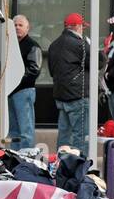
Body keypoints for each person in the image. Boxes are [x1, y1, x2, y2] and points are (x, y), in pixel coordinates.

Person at [47, 13, 90, 155]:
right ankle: (79, 166)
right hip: (78, 95)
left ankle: (61, 166)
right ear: (77, 26)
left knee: (64, 135)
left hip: (61, 95)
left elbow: (52, 70)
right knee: (81, 136)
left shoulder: (54, 44)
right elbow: (99, 62)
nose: (83, 30)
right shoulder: (80, 44)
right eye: (82, 27)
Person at [8, 14, 41, 150]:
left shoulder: (32, 46)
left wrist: (16, 82)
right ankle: (14, 158)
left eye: (20, 25)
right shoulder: (9, 45)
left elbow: (34, 70)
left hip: (24, 91)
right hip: (10, 91)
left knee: (25, 131)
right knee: (13, 131)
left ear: (28, 28)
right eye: (15, 25)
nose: (17, 27)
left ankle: (26, 160)